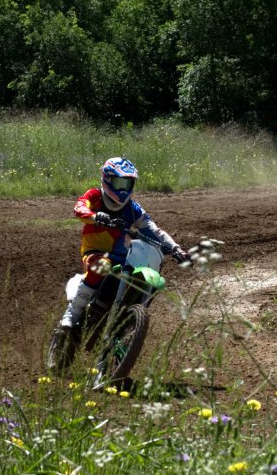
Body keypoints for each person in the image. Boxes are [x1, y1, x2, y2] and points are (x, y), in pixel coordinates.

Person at [47, 156, 189, 370]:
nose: (124, 189)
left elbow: (154, 230)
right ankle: (72, 314)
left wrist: (176, 248)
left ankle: (127, 326)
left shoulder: (133, 209)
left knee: (147, 277)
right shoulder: (94, 196)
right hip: (95, 251)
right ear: (107, 179)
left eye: (128, 184)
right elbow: (79, 208)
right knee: (101, 265)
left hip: (124, 258)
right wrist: (96, 217)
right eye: (120, 183)